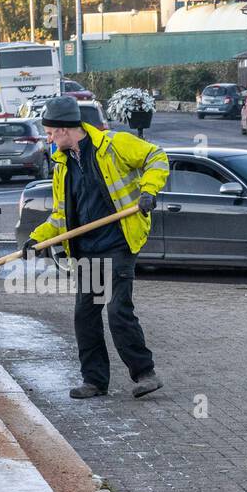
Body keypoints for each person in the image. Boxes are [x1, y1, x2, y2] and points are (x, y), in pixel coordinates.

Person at [27, 95, 168, 399]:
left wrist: (148, 191)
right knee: (85, 314)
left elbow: (157, 157)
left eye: (51, 133)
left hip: (119, 243)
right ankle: (94, 381)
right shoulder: (63, 166)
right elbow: (61, 216)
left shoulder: (113, 144)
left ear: (65, 130)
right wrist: (37, 238)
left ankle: (145, 373)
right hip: (88, 248)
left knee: (118, 310)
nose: (49, 139)